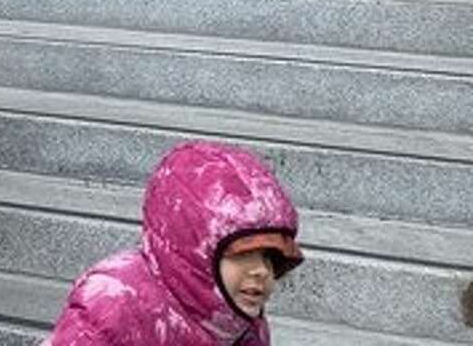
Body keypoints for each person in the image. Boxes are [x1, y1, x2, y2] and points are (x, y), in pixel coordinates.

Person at [47, 141, 304, 344]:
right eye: (242, 254)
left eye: (271, 257)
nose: (261, 270)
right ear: (194, 253)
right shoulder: (117, 303)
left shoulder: (242, 326)